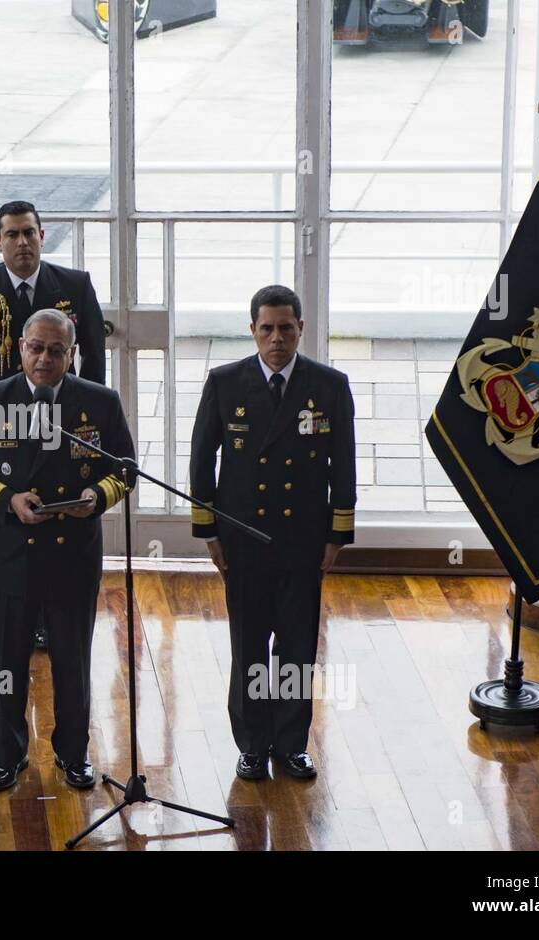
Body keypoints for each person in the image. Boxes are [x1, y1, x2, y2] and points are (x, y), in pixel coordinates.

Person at [0, 309, 134, 792]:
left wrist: (96, 498)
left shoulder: (99, 402)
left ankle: (73, 754)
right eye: (36, 347)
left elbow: (126, 468)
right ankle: (7, 755)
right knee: (7, 664)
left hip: (71, 556)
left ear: (72, 354)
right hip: (12, 556)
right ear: (20, 348)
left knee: (72, 663)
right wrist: (7, 499)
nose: (45, 358)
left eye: (57, 350)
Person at [188, 285, 356, 782]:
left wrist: (336, 535)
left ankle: (290, 743)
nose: (276, 339)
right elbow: (202, 463)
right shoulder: (225, 383)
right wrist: (209, 534)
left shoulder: (328, 385)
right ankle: (252, 744)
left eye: (286, 328)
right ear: (253, 330)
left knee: (298, 645)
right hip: (243, 539)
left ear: (301, 328)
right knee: (249, 643)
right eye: (267, 329)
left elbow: (343, 464)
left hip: (303, 539)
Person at [0, 199, 106, 651]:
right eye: (11, 235)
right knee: (11, 521)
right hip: (1, 426)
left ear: (42, 236)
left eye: (29, 233)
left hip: (62, 419)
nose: (22, 243)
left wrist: (88, 412)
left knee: (60, 513)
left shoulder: (74, 284)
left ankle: (56, 617)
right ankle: (20, 612)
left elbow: (93, 352)